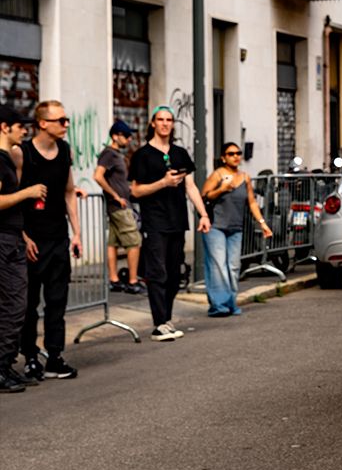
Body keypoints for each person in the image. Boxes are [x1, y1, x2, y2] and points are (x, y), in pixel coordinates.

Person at [129, 106, 210, 342]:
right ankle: (159, 323)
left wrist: (203, 214)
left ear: (172, 124)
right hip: (155, 222)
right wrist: (162, 183)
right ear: (153, 123)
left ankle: (166, 318)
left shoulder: (180, 153)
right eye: (160, 119)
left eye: (169, 120)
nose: (165, 123)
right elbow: (135, 190)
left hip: (177, 221)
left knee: (174, 275)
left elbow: (191, 186)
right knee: (158, 273)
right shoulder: (143, 155)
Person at [19, 99, 82, 381]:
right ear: (43, 123)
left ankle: (55, 357)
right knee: (29, 304)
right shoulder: (22, 154)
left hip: (58, 237)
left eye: (67, 120)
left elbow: (69, 191)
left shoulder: (65, 150)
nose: (66, 125)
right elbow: (13, 198)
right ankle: (30, 357)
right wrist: (23, 236)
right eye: (61, 120)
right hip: (32, 240)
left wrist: (77, 232)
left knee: (57, 302)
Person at [0, 104, 46, 393]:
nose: (25, 131)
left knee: (15, 305)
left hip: (12, 237)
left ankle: (4, 366)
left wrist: (24, 235)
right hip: (3, 243)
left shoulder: (6, 158)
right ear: (5, 127)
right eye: (20, 126)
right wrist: (27, 192)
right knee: (13, 306)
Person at [200, 142, 271, 317]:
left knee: (233, 266)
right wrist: (221, 189)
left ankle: (231, 302)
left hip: (235, 228)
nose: (236, 156)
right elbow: (204, 195)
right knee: (218, 266)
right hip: (216, 226)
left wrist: (262, 222)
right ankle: (219, 305)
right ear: (223, 157)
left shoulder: (245, 177)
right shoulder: (218, 175)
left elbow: (252, 202)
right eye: (231, 154)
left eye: (238, 153)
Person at [94, 120, 145, 296]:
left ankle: (114, 280)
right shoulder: (109, 154)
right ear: (115, 136)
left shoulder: (116, 155)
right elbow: (98, 176)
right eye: (126, 136)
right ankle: (132, 281)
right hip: (119, 206)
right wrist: (115, 196)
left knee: (113, 243)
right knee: (134, 241)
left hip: (120, 205)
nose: (130, 139)